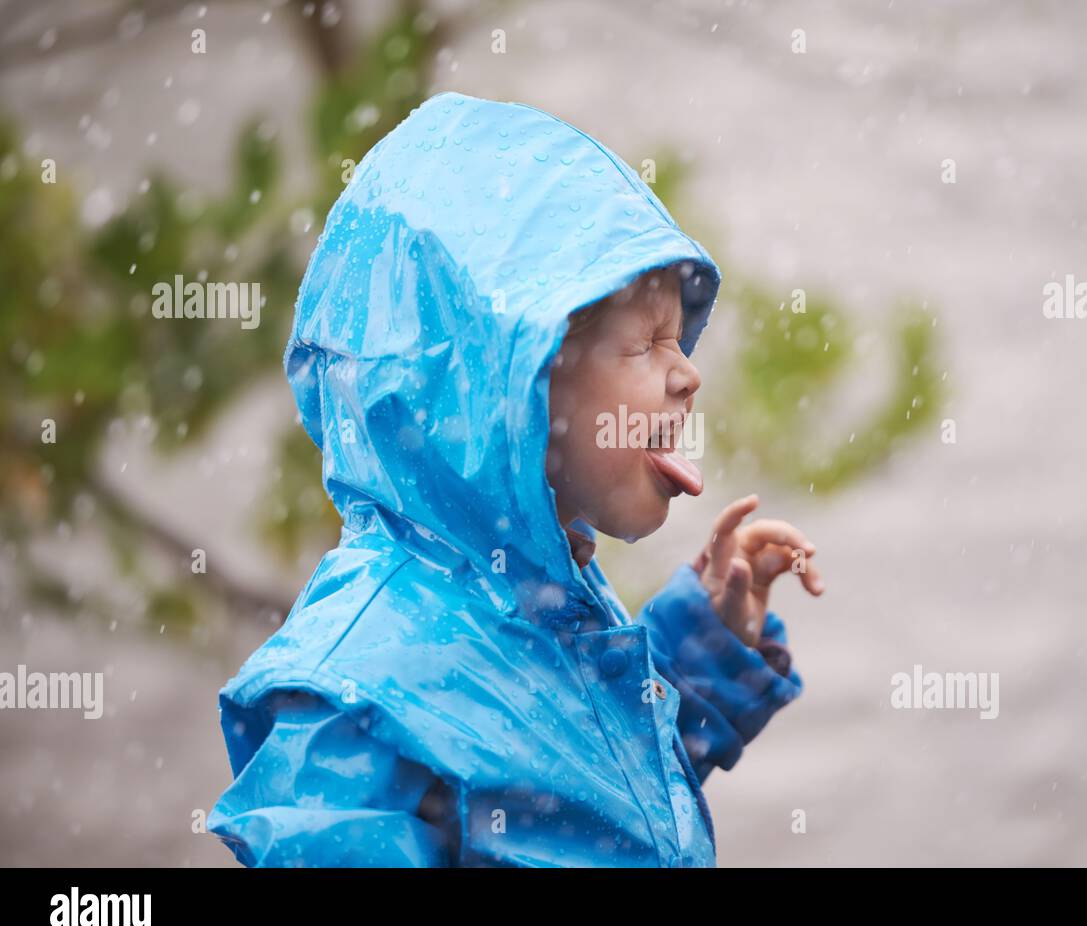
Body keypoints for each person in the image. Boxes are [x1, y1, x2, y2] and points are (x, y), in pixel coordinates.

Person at [206, 91, 825, 867]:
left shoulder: (544, 598)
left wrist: (701, 654)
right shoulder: (355, 697)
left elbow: (578, 796)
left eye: (682, 340)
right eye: (646, 345)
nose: (690, 374)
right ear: (515, 385)